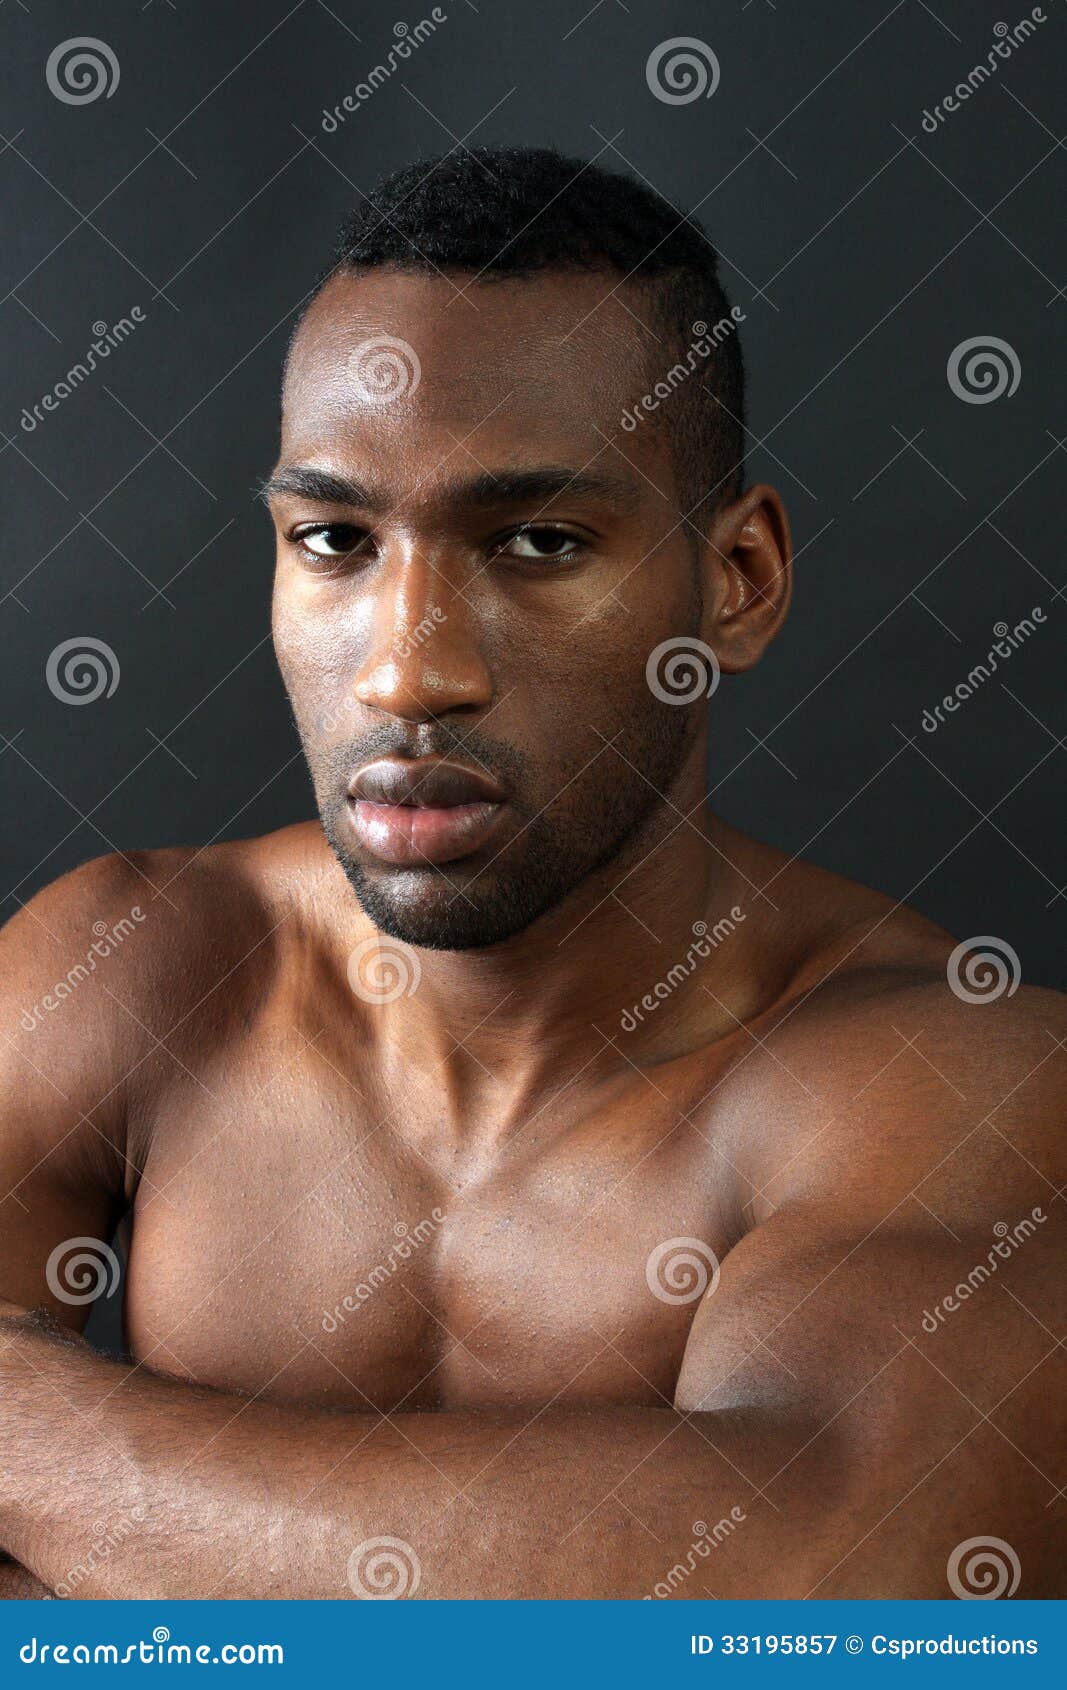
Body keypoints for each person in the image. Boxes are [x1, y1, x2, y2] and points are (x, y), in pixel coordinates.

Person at [1, 148, 1062, 1601]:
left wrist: (45, 1447)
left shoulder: (947, 1073)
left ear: (735, 580)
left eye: (539, 542)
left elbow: (836, 1576)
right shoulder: (131, 964)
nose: (406, 666)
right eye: (336, 540)